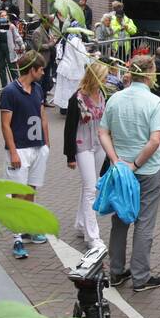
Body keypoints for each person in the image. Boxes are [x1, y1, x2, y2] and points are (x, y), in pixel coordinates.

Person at [98, 54, 160, 292]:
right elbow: (155, 140)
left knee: (120, 221)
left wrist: (116, 160)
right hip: (146, 171)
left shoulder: (115, 99)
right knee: (144, 223)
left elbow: (103, 133)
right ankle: (141, 276)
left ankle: (116, 271)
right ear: (150, 74)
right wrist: (136, 164)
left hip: (120, 170)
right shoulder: (155, 102)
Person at [0, 52, 51, 260]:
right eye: (41, 69)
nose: (44, 72)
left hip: (37, 147)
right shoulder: (9, 91)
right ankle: (17, 238)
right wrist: (12, 151)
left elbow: (42, 115)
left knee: (31, 190)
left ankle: (29, 228)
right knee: (17, 194)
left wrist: (46, 143)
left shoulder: (38, 88)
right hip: (19, 148)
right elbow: (5, 124)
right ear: (32, 70)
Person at [63, 60, 109, 250]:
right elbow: (70, 128)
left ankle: (81, 224)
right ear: (96, 77)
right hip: (83, 146)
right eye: (104, 76)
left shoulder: (102, 94)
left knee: (90, 186)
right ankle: (93, 236)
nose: (107, 80)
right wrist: (70, 155)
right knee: (91, 189)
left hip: (98, 145)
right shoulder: (77, 98)